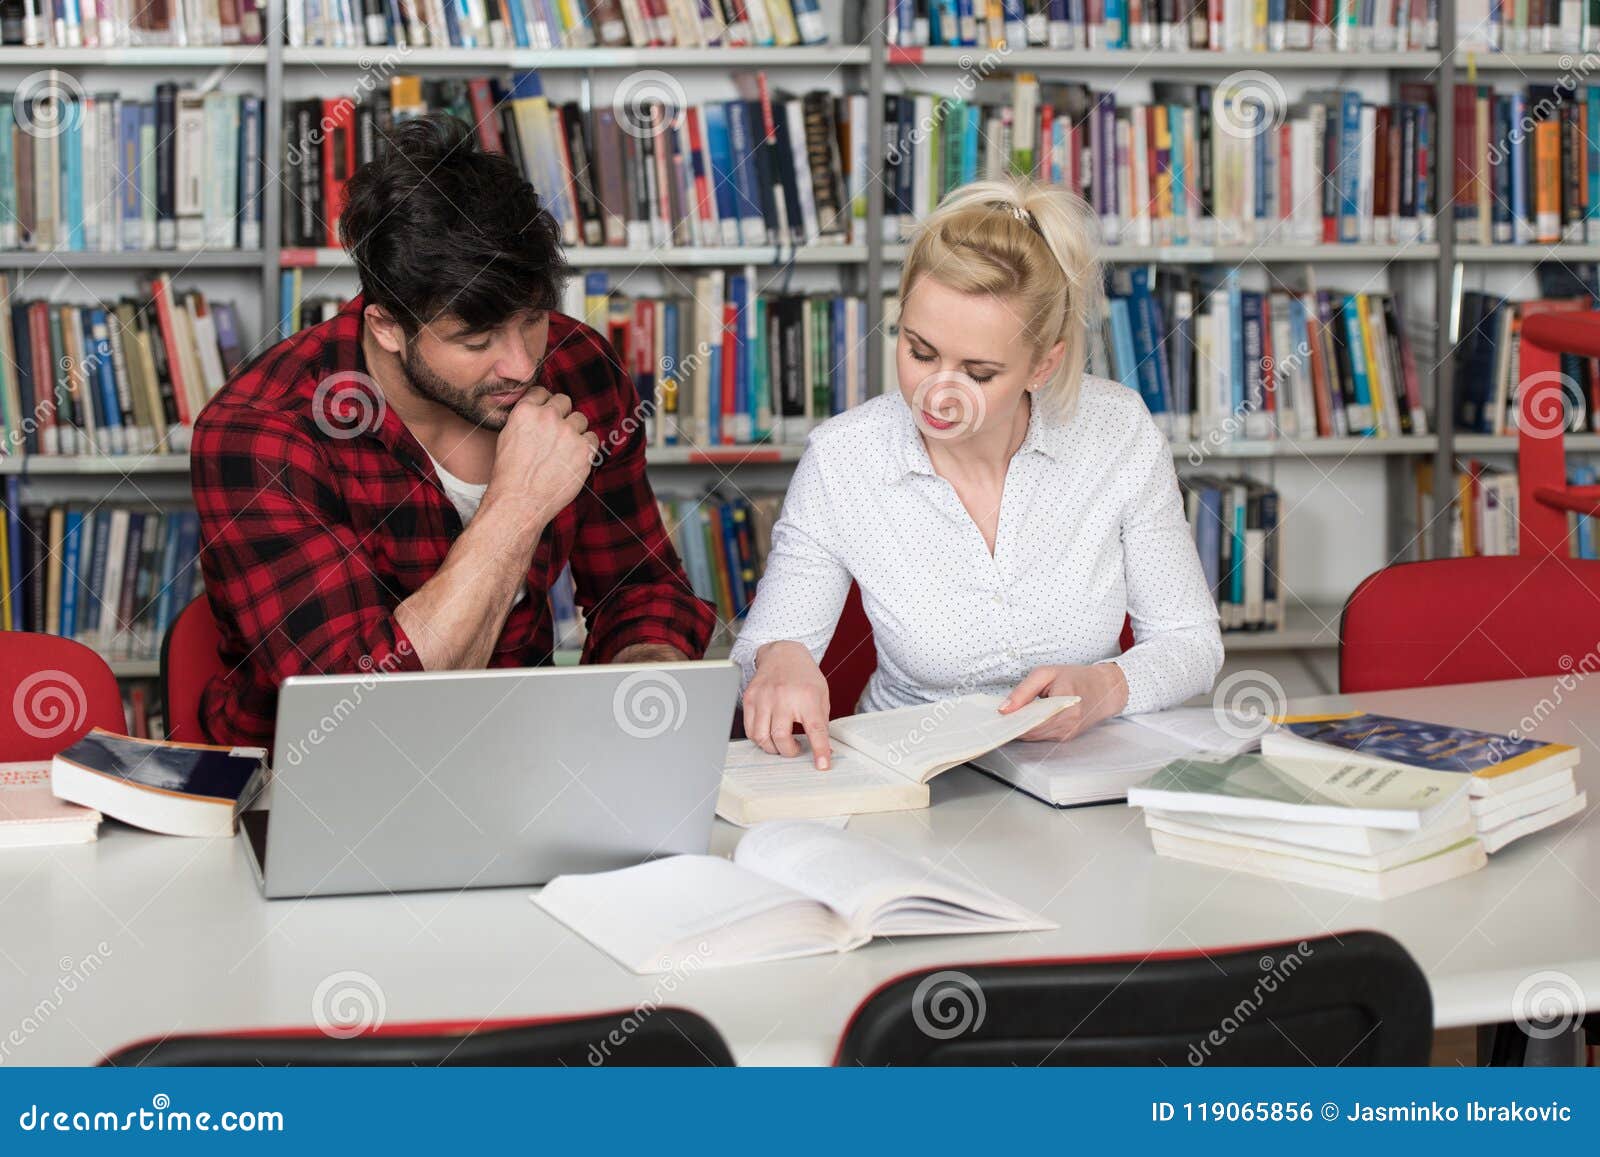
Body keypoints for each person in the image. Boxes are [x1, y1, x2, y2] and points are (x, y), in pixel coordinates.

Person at [191, 114, 714, 748]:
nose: (521, 365)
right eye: (475, 340)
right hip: (300, 782)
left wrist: (646, 674)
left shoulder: (579, 367)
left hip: (520, 752)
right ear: (388, 326)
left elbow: (641, 586)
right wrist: (517, 505)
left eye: (531, 320)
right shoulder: (261, 434)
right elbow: (362, 721)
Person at [730, 179, 1224, 770]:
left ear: (1043, 365)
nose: (940, 394)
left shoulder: (1116, 430)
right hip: (918, 776)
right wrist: (778, 658)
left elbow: (1192, 644)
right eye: (919, 352)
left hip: (1086, 773)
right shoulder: (845, 458)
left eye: (980, 372)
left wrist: (1106, 687)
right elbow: (760, 651)